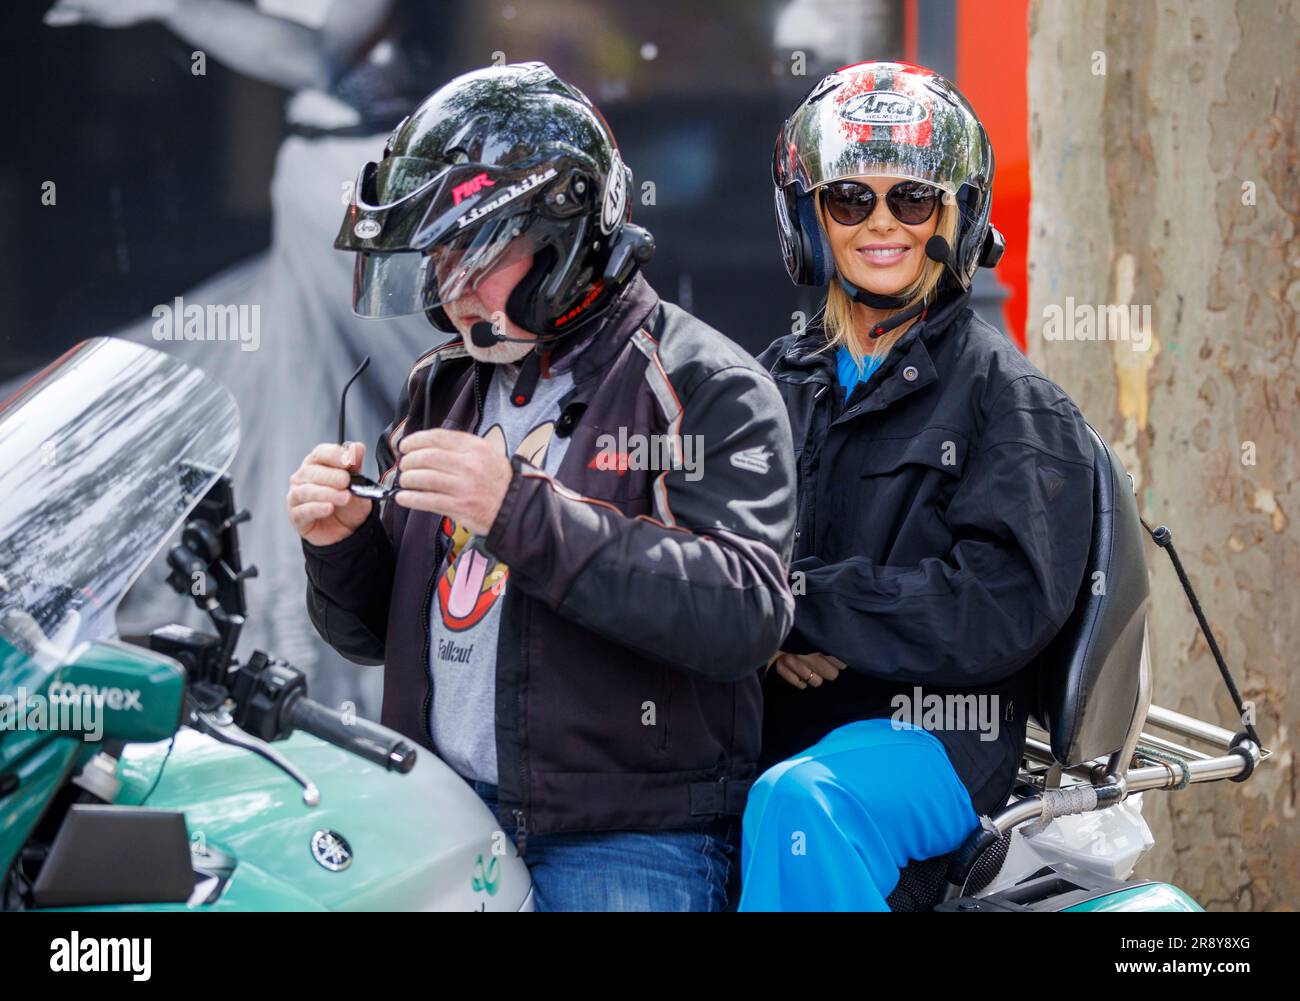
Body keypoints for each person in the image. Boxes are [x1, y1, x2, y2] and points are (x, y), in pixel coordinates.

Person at [286, 62, 798, 911]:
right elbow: (377, 633)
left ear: (564, 235)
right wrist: (338, 545)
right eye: (438, 259)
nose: (451, 291)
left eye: (474, 256)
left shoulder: (707, 383)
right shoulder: (444, 386)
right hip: (439, 817)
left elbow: (744, 613)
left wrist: (518, 510)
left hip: (625, 839)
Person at [740, 60, 1095, 911]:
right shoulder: (765, 386)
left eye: (913, 198)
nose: (881, 223)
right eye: (850, 199)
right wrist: (764, 620)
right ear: (810, 216)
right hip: (766, 723)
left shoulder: (1012, 401)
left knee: (803, 802)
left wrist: (803, 602)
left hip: (933, 735)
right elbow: (714, 549)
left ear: (956, 215)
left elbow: (998, 607)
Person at [44, 0, 456, 716]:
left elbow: (323, 54)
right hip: (319, 177)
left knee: (325, 409)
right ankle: (306, 652)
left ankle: (329, 667)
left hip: (359, 187)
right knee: (281, 400)